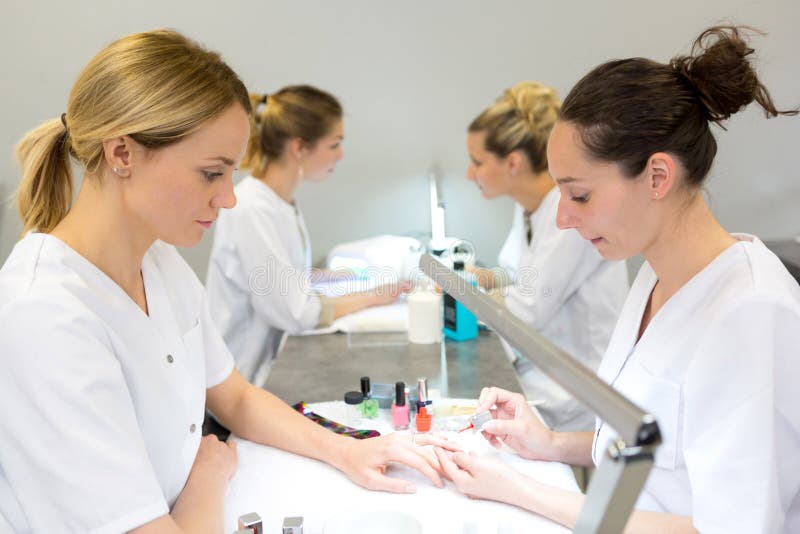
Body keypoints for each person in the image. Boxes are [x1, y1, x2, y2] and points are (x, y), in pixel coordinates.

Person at [0, 30, 454, 534]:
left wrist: (347, 450)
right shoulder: (44, 315)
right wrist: (205, 478)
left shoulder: (160, 261)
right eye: (211, 174)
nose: (229, 199)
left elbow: (233, 396)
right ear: (122, 154)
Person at [436, 25, 800, 533]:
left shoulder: (752, 313)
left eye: (579, 195)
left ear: (657, 176)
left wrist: (523, 491)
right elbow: (652, 441)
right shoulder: (654, 274)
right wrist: (548, 443)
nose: (562, 219)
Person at [205, 85, 409, 386]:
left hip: (263, 371)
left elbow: (288, 278)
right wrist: (371, 297)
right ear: (299, 147)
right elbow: (295, 311)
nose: (340, 155)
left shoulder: (280, 202)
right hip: (241, 381)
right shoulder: (252, 208)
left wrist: (342, 277)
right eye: (334, 144)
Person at [465, 81, 629, 431]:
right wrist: (483, 279)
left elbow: (526, 310)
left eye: (477, 162)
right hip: (544, 370)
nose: (469, 174)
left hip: (577, 396)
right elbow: (515, 275)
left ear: (513, 162)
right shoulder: (528, 208)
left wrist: (470, 295)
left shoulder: (566, 213)